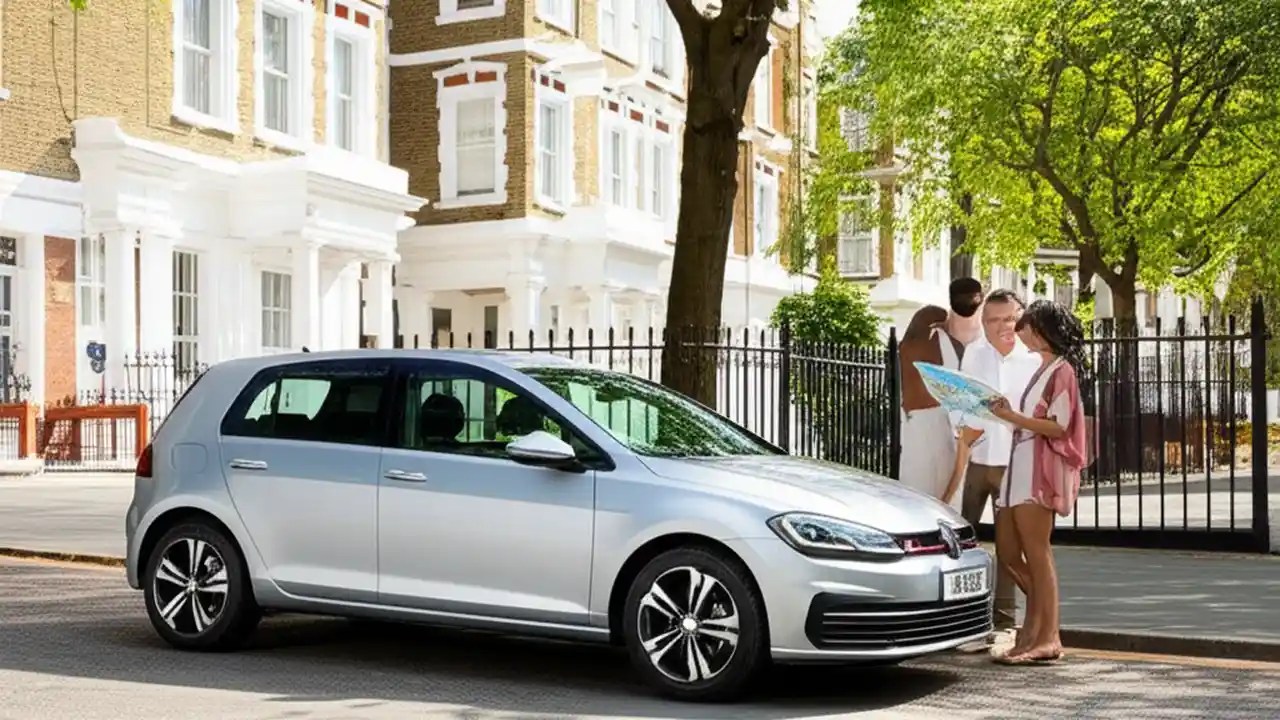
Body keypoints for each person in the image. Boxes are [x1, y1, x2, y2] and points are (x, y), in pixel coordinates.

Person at [987, 300, 1089, 665]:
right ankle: (1036, 631)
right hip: (1019, 467)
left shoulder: (1062, 371)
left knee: (1037, 551)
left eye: (1027, 325)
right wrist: (1009, 414)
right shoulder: (1041, 370)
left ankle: (1044, 637)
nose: (1020, 331)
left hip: (1037, 472)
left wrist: (1013, 416)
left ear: (1043, 330)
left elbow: (1059, 425)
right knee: (1009, 552)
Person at [943, 289, 1040, 651]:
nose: (1001, 327)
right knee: (963, 542)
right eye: (992, 320)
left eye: (1008, 319)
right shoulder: (974, 353)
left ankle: (1005, 621)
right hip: (977, 460)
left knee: (1008, 546)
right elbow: (960, 400)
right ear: (982, 322)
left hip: (1014, 464)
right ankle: (964, 619)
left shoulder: (1032, 358)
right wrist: (963, 430)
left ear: (1020, 317)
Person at [896, 279, 985, 508]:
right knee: (941, 490)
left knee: (916, 488)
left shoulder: (908, 346)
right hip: (937, 419)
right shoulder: (946, 341)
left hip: (914, 419)